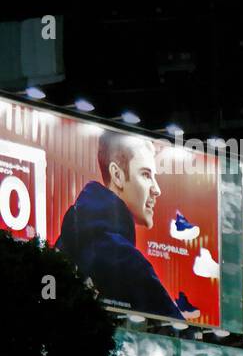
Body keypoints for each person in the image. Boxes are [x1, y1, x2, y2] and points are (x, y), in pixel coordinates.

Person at [55, 130, 185, 319]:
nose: (157, 190)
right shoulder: (126, 261)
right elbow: (179, 329)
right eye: (146, 175)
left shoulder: (67, 242)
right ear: (117, 175)